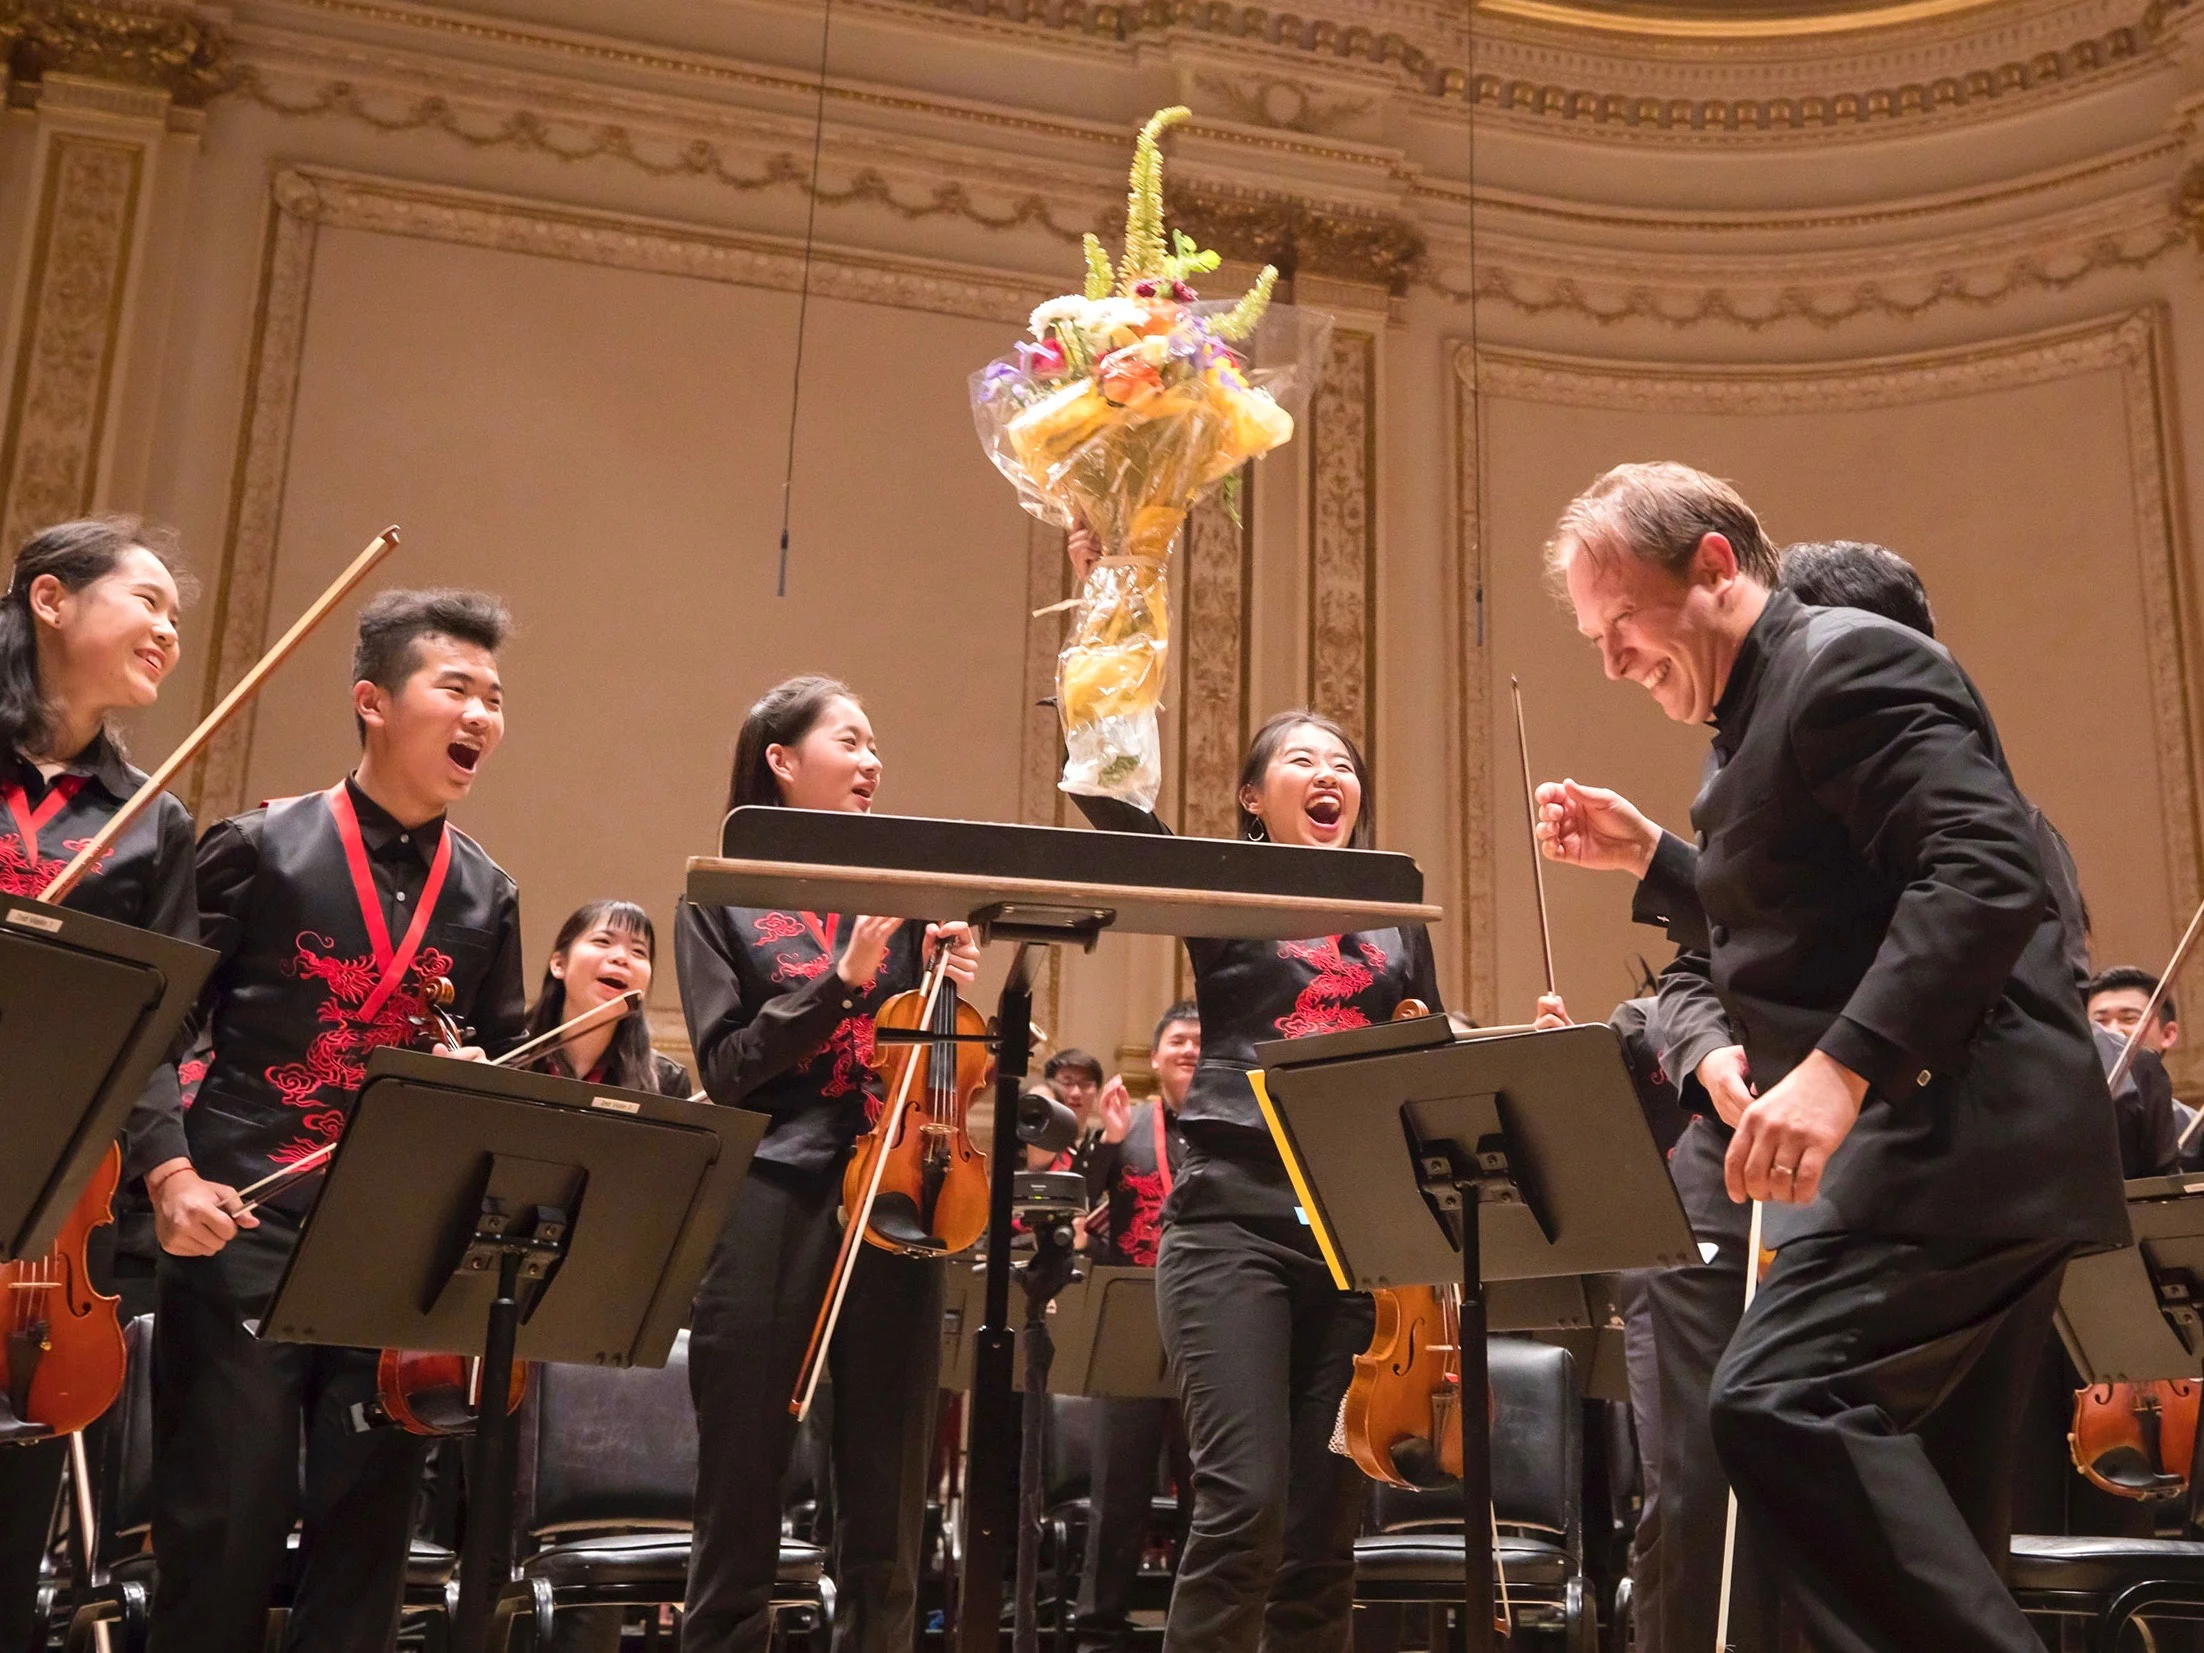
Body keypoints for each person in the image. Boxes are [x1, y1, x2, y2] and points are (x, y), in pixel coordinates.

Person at [1536, 461, 2126, 1653]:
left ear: (1710, 564)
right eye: (1591, 636)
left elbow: (1983, 873)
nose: (1608, 661)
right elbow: (1806, 932)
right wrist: (1652, 861)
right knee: (1937, 1510)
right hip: (1962, 1151)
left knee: (1769, 1399)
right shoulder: (1753, 714)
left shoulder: (1844, 659)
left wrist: (1836, 1069)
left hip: (1955, 1148)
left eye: (1622, 622)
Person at [149, 588, 527, 1653]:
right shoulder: (259, 848)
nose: (482, 715)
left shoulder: (488, 894)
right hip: (241, 1233)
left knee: (367, 1556)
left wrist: (475, 1080)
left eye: (494, 698)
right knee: (220, 1536)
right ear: (372, 701)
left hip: (389, 1260)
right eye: (455, 688)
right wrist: (170, 1176)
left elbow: (498, 1085)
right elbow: (162, 1032)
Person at [1073, 697, 1442, 1653]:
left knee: (1323, 1538)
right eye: (1304, 761)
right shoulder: (1231, 895)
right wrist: (1107, 644)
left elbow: (1425, 1056)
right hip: (1232, 1226)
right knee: (1244, 1511)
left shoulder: (1395, 915)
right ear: (1251, 797)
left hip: (1357, 1238)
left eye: (1345, 764)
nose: (1331, 777)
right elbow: (1121, 819)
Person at [675, 674, 980, 1653]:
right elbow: (726, 1070)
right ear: (780, 759)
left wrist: (942, 986)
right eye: (849, 740)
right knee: (743, 1477)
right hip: (771, 1196)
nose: (871, 762)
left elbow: (927, 1073)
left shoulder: (888, 904)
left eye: (874, 744)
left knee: (889, 1490)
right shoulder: (720, 898)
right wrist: (839, 983)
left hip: (891, 1199)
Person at [0, 519, 198, 1650]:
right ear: (51, 600)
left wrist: (165, 1169)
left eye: (178, 616)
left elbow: (149, 1029)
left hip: (47, 1218)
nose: (170, 630)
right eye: (150, 601)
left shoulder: (150, 819)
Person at [1072, 1003, 1197, 1653]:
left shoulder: (1226, 1130)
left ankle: (1196, 1621)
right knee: (1117, 1481)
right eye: (1177, 1040)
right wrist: (1110, 1137)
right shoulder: (1130, 1123)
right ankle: (1098, 1623)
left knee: (1206, 1482)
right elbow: (1078, 1194)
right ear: (1154, 1057)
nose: (1189, 1049)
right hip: (1130, 1314)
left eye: (1200, 1041)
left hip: (1206, 1316)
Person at [519, 899, 692, 1095]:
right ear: (559, 964)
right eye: (603, 941)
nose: (621, 957)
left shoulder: (667, 1082)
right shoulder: (503, 1055)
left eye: (638, 951)